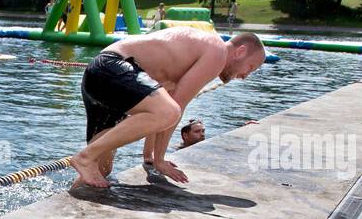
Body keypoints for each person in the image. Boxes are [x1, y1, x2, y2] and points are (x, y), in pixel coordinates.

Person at [68, 29, 266, 189]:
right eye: (250, 67)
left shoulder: (190, 57)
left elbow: (161, 105)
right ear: (240, 52)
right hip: (112, 67)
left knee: (100, 169)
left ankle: (68, 199)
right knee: (169, 111)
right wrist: (160, 160)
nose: (245, 75)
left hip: (101, 77)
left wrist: (150, 156)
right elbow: (175, 106)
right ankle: (84, 157)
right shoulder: (218, 52)